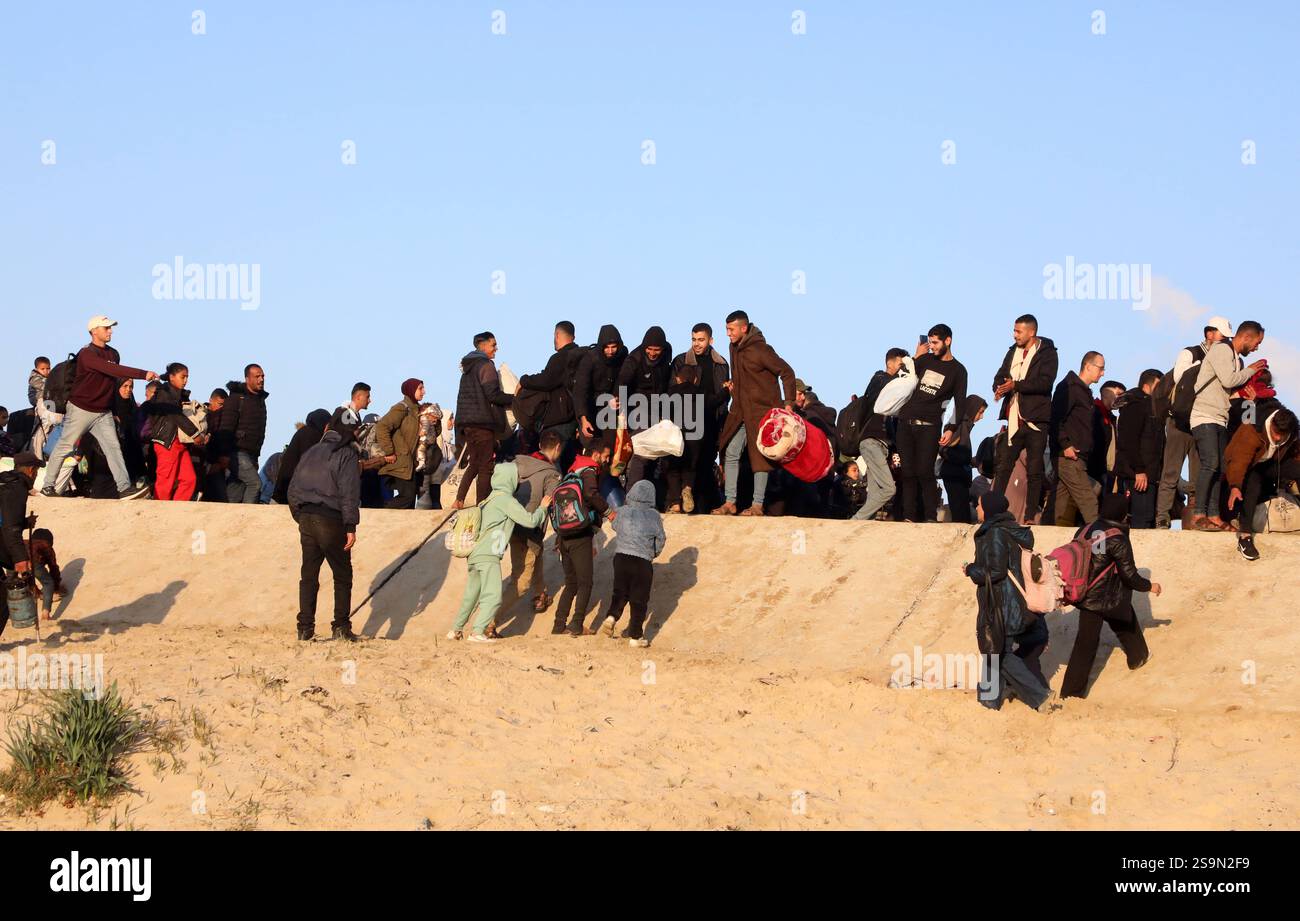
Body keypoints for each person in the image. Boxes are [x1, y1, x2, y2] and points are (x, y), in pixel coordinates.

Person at [42, 315, 156, 500]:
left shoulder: (114, 353)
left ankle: (124, 488)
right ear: (94, 331)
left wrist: (114, 410)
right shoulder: (87, 354)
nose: (110, 331)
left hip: (102, 413)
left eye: (110, 328)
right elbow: (112, 370)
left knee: (113, 448)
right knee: (65, 446)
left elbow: (111, 382)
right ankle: (48, 486)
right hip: (81, 409)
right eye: (106, 328)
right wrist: (143, 374)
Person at [1059, 491, 1159, 699]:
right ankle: (1138, 658)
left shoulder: (1085, 529)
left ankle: (1070, 693)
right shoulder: (1117, 538)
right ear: (1123, 514)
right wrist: (1149, 586)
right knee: (1124, 619)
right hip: (1110, 595)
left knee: (1084, 646)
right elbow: (1129, 575)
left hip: (1086, 596)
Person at [963, 492, 1052, 712]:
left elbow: (995, 571)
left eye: (980, 504)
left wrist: (971, 569)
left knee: (998, 651)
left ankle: (1040, 696)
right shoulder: (1010, 529)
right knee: (994, 647)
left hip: (1002, 601)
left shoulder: (994, 533)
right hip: (1013, 599)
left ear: (990, 509)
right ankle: (989, 699)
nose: (977, 507)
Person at [446, 462, 553, 644]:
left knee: (471, 595)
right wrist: (543, 508)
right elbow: (529, 521)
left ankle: (456, 630)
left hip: (475, 554)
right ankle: (477, 631)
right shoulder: (505, 500)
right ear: (509, 480)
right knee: (493, 596)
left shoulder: (487, 500)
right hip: (489, 556)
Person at [287, 409, 363, 642]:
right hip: (331, 519)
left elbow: (293, 489)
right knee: (342, 574)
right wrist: (350, 525)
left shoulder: (312, 451)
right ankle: (340, 626)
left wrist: (300, 515)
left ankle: (305, 628)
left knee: (309, 574)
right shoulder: (347, 453)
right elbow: (349, 492)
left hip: (307, 517)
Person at [714, 310, 797, 517]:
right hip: (740, 410)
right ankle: (730, 502)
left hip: (763, 412)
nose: (728, 333)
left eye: (731, 329)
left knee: (760, 457)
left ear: (743, 328)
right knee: (730, 451)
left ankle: (757, 505)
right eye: (726, 329)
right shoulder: (733, 347)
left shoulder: (761, 350)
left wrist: (788, 404)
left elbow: (787, 372)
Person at [1188, 321, 1267, 530]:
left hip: (1219, 417)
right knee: (1210, 462)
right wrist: (1250, 371)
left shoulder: (1236, 359)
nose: (1257, 347)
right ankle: (1198, 514)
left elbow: (1229, 392)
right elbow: (1228, 380)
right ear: (1247, 337)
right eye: (1257, 342)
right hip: (1204, 414)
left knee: (1221, 466)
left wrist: (1249, 400)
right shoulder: (1222, 349)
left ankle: (1214, 515)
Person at [897, 324, 968, 522]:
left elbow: (960, 404)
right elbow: (899, 379)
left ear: (948, 341)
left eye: (935, 342)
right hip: (905, 422)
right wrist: (915, 357)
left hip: (930, 426)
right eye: (930, 342)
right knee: (908, 473)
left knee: (925, 472)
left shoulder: (958, 370)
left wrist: (951, 428)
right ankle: (908, 517)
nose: (932, 347)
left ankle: (930, 517)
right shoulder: (924, 359)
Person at [992, 315, 1058, 524]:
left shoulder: (1047, 354)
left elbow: (1045, 383)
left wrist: (1016, 386)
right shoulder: (1013, 351)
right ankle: (995, 510)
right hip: (1014, 416)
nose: (1015, 335)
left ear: (1032, 332)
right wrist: (999, 387)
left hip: (1037, 419)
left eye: (1018, 331)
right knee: (1004, 466)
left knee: (1035, 468)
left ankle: (1029, 515)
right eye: (1014, 331)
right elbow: (1001, 374)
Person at [495, 430, 563, 630]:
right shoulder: (550, 473)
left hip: (511, 526)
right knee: (521, 580)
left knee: (536, 554)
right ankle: (489, 620)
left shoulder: (518, 463)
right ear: (558, 448)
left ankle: (540, 595)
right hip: (530, 528)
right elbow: (553, 503)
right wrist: (560, 533)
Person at [590, 479, 666, 646]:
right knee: (639, 600)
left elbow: (615, 525)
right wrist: (653, 553)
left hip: (621, 558)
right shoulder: (654, 515)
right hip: (642, 561)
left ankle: (611, 617)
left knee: (620, 592)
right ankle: (635, 637)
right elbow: (660, 538)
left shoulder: (622, 511)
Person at [554, 437, 613, 635]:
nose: (607, 460)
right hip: (580, 534)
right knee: (585, 582)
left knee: (570, 583)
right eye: (605, 456)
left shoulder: (570, 472)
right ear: (595, 454)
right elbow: (590, 494)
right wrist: (608, 511)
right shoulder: (588, 470)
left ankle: (558, 626)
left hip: (564, 535)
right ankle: (576, 624)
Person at [669, 323, 731, 513]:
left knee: (703, 466)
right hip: (684, 423)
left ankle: (700, 508)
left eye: (701, 340)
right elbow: (673, 392)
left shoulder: (721, 364)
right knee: (683, 463)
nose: (697, 344)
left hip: (710, 421)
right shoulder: (680, 361)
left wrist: (721, 423)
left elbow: (722, 397)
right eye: (694, 339)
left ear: (710, 340)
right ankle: (680, 502)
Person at [1225, 407, 1299, 561]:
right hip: (1249, 465)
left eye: (1282, 435)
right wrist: (1235, 487)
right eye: (1275, 433)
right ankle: (1244, 537)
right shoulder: (1252, 429)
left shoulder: (1293, 431)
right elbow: (1239, 460)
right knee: (1253, 484)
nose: (1278, 438)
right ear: (1271, 422)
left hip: (1272, 463)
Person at [454, 332, 514, 508]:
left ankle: (459, 500)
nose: (496, 348)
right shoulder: (485, 366)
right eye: (493, 345)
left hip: (467, 423)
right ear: (483, 345)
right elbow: (492, 394)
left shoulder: (468, 367)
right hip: (482, 422)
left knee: (474, 463)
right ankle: (482, 505)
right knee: (486, 466)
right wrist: (515, 399)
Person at [851, 348, 908, 522]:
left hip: (880, 446)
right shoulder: (879, 379)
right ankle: (855, 521)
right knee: (889, 489)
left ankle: (861, 523)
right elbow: (890, 386)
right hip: (871, 442)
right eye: (901, 364)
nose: (903, 369)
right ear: (890, 363)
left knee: (875, 494)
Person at [1051, 351, 1106, 526]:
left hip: (1078, 457)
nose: (1103, 373)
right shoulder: (1069, 387)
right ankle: (1101, 547)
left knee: (1060, 508)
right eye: (1101, 368)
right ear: (1088, 366)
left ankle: (1053, 545)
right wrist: (1066, 445)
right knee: (1089, 502)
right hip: (1069, 456)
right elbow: (1055, 418)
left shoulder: (1085, 392)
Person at [618, 325, 675, 491]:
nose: (652, 353)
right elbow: (622, 385)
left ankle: (652, 496)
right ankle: (631, 496)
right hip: (637, 410)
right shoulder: (633, 360)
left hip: (657, 412)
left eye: (656, 350)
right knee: (642, 453)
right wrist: (622, 415)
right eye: (649, 349)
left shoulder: (666, 357)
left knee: (657, 456)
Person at [518, 321, 584, 464]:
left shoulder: (561, 357)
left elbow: (546, 380)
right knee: (570, 460)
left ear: (557, 335)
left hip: (559, 419)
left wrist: (524, 380)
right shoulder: (583, 356)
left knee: (553, 462)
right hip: (577, 417)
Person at [1113, 370, 1166, 529]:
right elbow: (1129, 440)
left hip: (1148, 475)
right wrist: (1139, 470)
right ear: (1146, 386)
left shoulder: (1151, 407)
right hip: (1138, 476)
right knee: (1140, 522)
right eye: (1159, 385)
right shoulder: (1136, 406)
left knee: (1147, 520)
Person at [145, 363, 206, 501]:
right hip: (166, 442)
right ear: (172, 377)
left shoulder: (181, 395)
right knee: (165, 482)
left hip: (180, 443)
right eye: (182, 377)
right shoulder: (163, 393)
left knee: (189, 479)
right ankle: (158, 514)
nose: (185, 380)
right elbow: (176, 416)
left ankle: (176, 512)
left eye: (187, 377)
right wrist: (196, 434)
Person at [217, 363, 270, 504]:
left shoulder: (260, 401)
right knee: (255, 484)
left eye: (263, 376)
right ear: (247, 379)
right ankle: (247, 519)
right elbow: (226, 426)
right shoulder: (236, 399)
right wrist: (224, 454)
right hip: (237, 451)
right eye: (257, 376)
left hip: (252, 453)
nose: (261, 379)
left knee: (236, 490)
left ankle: (225, 521)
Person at [573, 325, 628, 445]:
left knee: (611, 445)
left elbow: (623, 381)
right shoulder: (589, 360)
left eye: (613, 347)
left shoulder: (622, 357)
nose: (610, 351)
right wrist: (583, 419)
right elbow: (580, 392)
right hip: (589, 407)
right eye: (606, 347)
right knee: (592, 446)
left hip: (610, 409)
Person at [376, 378, 424, 509]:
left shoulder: (418, 410)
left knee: (410, 503)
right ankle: (381, 517)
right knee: (407, 497)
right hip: (399, 461)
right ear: (411, 390)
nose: (424, 392)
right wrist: (389, 451)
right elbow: (382, 426)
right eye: (420, 388)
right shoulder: (402, 408)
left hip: (411, 464)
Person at [940, 395, 987, 523]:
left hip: (958, 475)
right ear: (973, 409)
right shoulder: (958, 426)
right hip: (953, 475)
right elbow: (945, 450)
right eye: (980, 412)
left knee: (963, 514)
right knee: (960, 516)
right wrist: (966, 460)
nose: (981, 417)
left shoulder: (965, 426)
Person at [272, 409, 332, 505]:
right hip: (291, 494)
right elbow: (310, 464)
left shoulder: (306, 433)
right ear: (322, 422)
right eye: (328, 424)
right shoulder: (311, 435)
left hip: (286, 491)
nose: (329, 428)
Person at [30, 527, 66, 620]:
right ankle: (45, 614)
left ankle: (37, 594)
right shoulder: (47, 546)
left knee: (23, 581)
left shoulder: (26, 543)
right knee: (48, 583)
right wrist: (56, 588)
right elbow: (53, 569)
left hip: (16, 560)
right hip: (34, 562)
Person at [199, 388, 229, 502]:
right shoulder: (200, 416)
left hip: (218, 465)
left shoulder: (224, 418)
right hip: (206, 464)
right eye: (220, 404)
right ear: (211, 400)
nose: (222, 409)